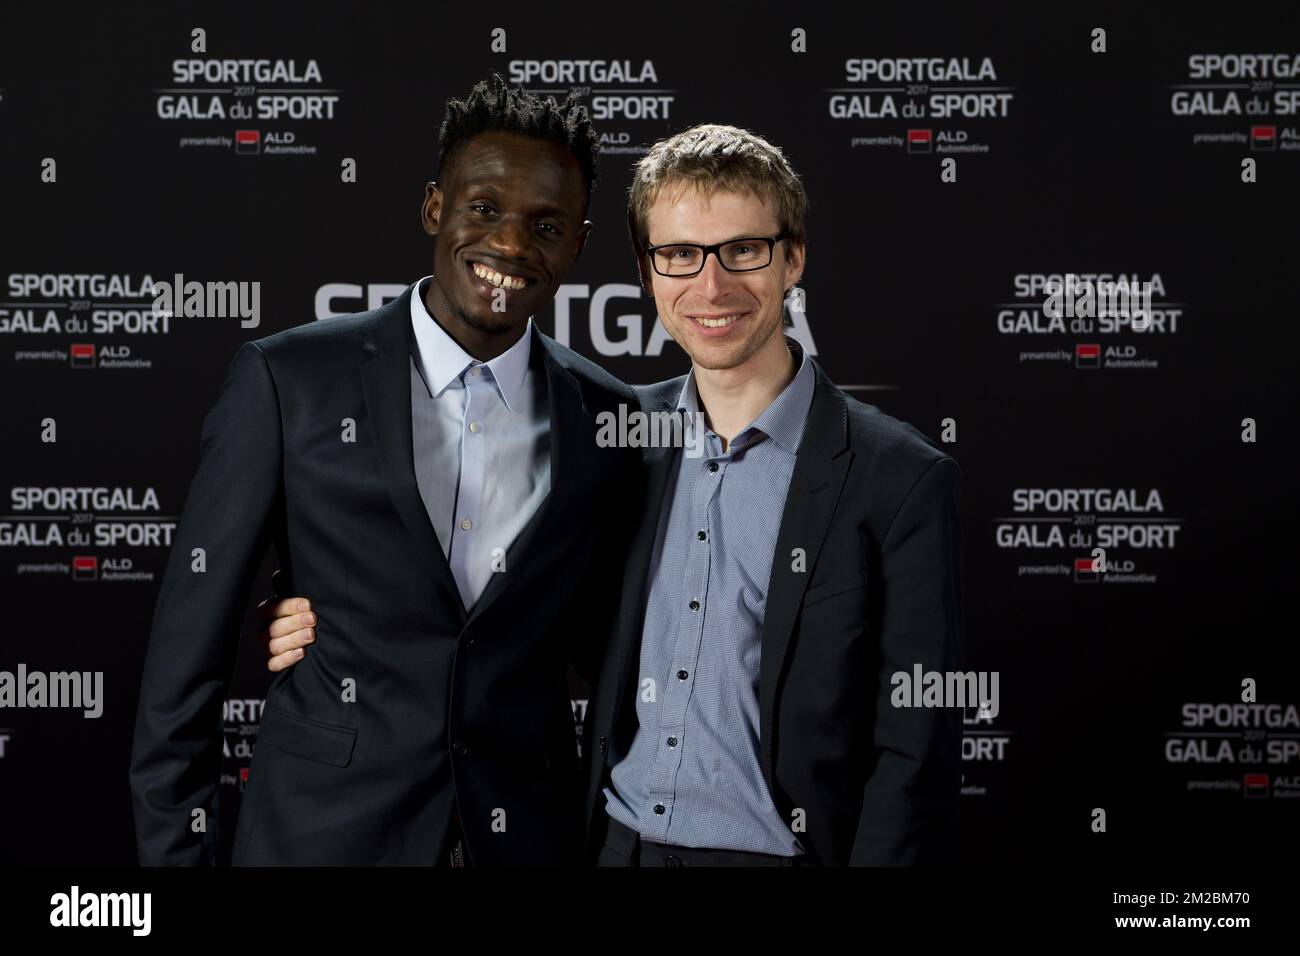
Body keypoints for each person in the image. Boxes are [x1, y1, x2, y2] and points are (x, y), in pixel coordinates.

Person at [266, 124, 965, 866]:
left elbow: (915, 753)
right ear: (647, 271)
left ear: (793, 258)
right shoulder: (613, 438)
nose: (712, 286)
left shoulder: (900, 479)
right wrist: (318, 610)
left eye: (744, 251)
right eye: (680, 255)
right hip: (608, 849)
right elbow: (504, 613)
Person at [129, 73, 640, 866]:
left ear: (576, 243)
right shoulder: (288, 380)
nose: (509, 245)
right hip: (323, 835)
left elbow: (611, 651)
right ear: (435, 208)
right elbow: (181, 669)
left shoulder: (609, 416)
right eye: (483, 209)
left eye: (545, 224)